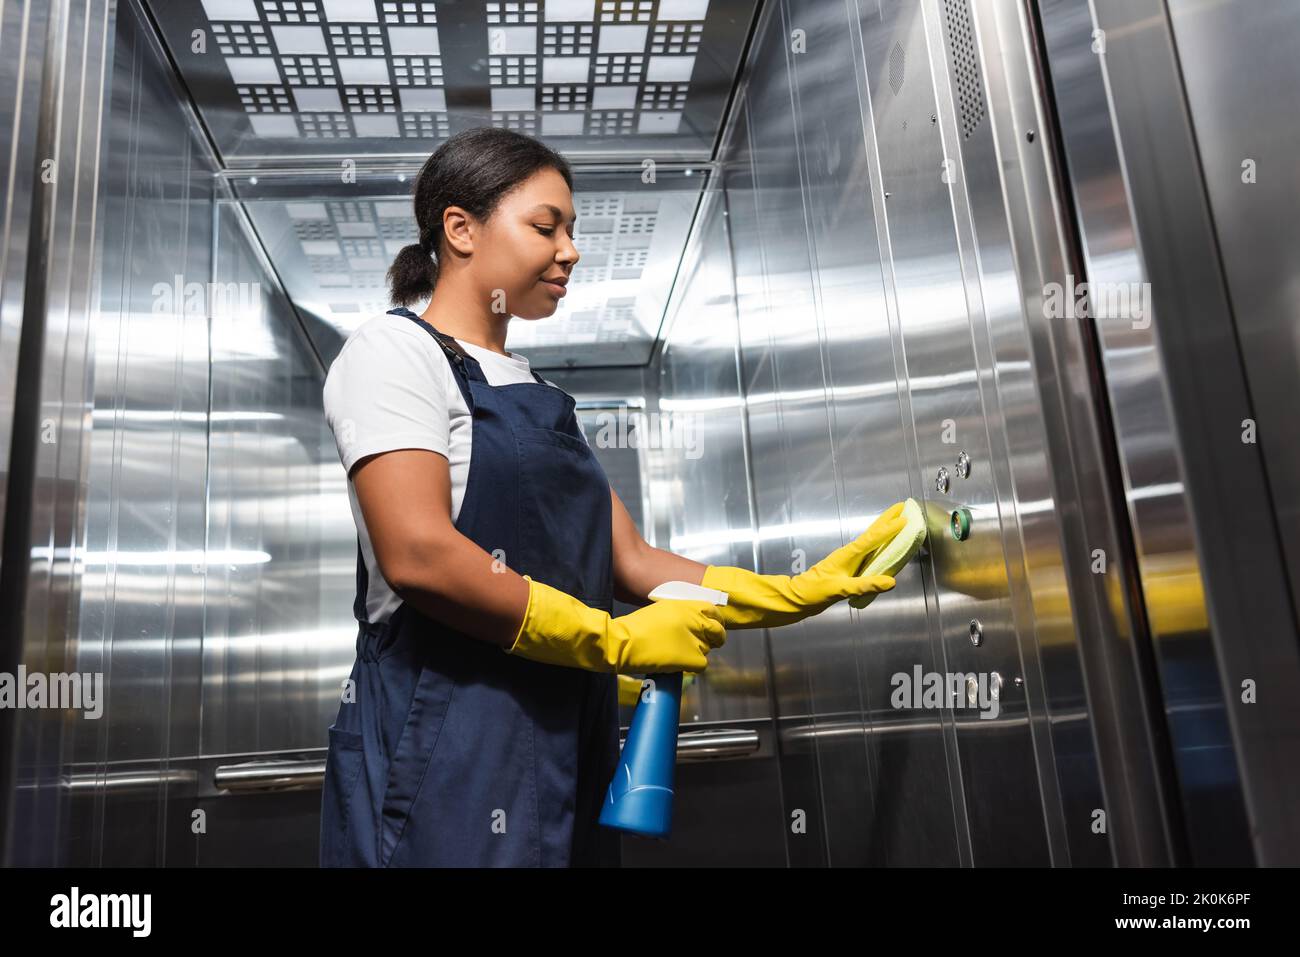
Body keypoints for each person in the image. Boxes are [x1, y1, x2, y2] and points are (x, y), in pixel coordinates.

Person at [318, 126, 905, 868]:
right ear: (459, 229)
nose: (571, 250)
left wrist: (795, 591)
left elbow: (630, 558)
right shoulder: (394, 353)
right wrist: (613, 639)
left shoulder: (540, 394)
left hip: (568, 745)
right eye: (545, 226)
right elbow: (420, 553)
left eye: (573, 229)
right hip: (445, 751)